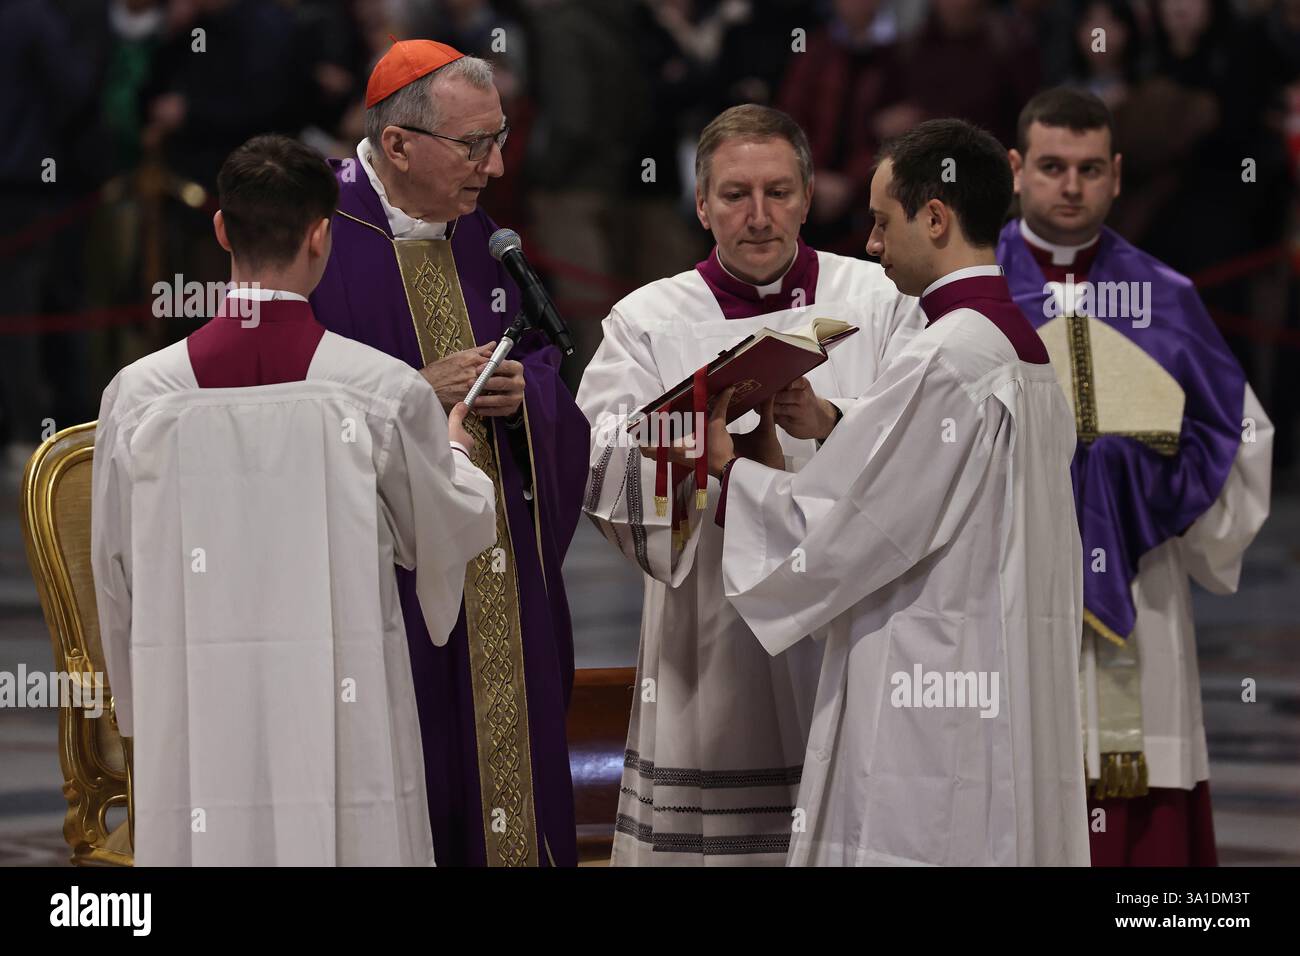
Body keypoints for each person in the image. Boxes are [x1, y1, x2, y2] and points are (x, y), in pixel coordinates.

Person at [91, 134, 497, 866]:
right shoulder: (380, 389)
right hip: (341, 719)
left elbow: (114, 577)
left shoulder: (139, 394)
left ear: (221, 230)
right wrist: (458, 450)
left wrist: (136, 697)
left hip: (196, 706)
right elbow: (443, 528)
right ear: (322, 236)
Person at [714, 118, 1090, 866]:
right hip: (1005, 665)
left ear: (936, 217)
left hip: (933, 675)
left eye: (883, 223)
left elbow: (852, 529)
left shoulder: (947, 355)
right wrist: (831, 423)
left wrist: (732, 469)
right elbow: (922, 478)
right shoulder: (1025, 348)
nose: (874, 245)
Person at [576, 104, 923, 865]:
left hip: (843, 620)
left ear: (807, 197)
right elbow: (598, 458)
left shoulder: (880, 300)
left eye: (778, 192)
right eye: (735, 194)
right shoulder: (647, 320)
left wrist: (829, 417)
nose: (759, 216)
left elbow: (924, 445)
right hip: (710, 627)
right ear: (700, 204)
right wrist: (684, 451)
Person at [308, 40, 590, 867]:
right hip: (381, 580)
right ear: (398, 145)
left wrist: (524, 396)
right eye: (474, 146)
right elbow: (275, 405)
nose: (495, 167)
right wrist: (409, 391)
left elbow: (539, 357)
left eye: (499, 138)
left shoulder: (480, 237)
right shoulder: (316, 229)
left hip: (494, 569)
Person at [998, 87, 1273, 866]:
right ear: (1017, 170)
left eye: (1089, 169)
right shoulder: (978, 296)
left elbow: (1241, 432)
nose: (1071, 186)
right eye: (1052, 166)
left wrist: (1155, 496)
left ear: (1117, 175)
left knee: (1141, 797)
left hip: (1144, 591)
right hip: (1015, 587)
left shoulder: (1165, 298)